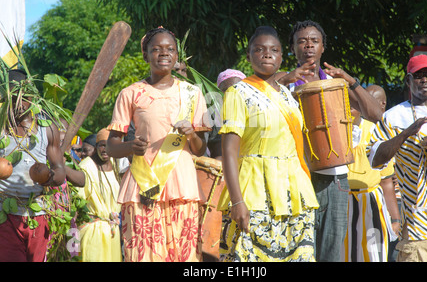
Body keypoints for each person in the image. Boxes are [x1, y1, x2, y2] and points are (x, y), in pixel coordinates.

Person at [277, 20, 383, 262]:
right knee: (299, 251)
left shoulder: (337, 83)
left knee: (332, 253)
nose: (308, 46)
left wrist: (350, 80)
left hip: (336, 179)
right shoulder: (283, 81)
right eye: (301, 41)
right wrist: (285, 82)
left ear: (323, 47)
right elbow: (259, 100)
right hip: (298, 177)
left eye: (314, 41)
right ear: (292, 48)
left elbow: (375, 115)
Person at [106, 27, 210, 262]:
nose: (164, 53)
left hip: (182, 185)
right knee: (144, 254)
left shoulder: (192, 94)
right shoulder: (130, 93)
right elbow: (112, 147)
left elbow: (199, 148)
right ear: (145, 55)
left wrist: (192, 134)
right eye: (156, 49)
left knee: (184, 255)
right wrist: (132, 146)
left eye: (170, 49)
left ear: (177, 56)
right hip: (144, 184)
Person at [218, 26, 319, 262]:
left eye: (274, 50)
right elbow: (229, 152)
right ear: (248, 56)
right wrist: (237, 201)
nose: (267, 54)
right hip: (254, 193)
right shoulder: (237, 92)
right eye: (259, 49)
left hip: (294, 195)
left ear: (282, 57)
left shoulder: (287, 94)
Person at [367, 54, 427, 262]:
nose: (424, 80)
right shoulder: (394, 116)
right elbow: (375, 159)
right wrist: (405, 134)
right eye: (418, 75)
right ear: (408, 81)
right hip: (419, 223)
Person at [0, 69, 66, 262]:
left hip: (38, 214)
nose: (19, 104)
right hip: (5, 215)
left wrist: (49, 177)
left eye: (24, 97)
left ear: (32, 97)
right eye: (14, 98)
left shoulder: (47, 128)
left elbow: (60, 169)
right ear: (5, 97)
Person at [341, 84, 400, 262]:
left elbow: (386, 181)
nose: (350, 107)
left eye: (354, 102)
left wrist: (395, 218)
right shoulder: (336, 132)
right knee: (345, 254)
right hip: (344, 204)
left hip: (372, 203)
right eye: (346, 102)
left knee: (374, 254)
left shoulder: (376, 132)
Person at [77, 128, 122, 262]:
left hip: (113, 232)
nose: (105, 149)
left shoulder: (115, 164)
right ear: (96, 146)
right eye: (102, 145)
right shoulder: (86, 166)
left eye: (109, 145)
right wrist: (71, 242)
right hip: (92, 233)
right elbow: (76, 207)